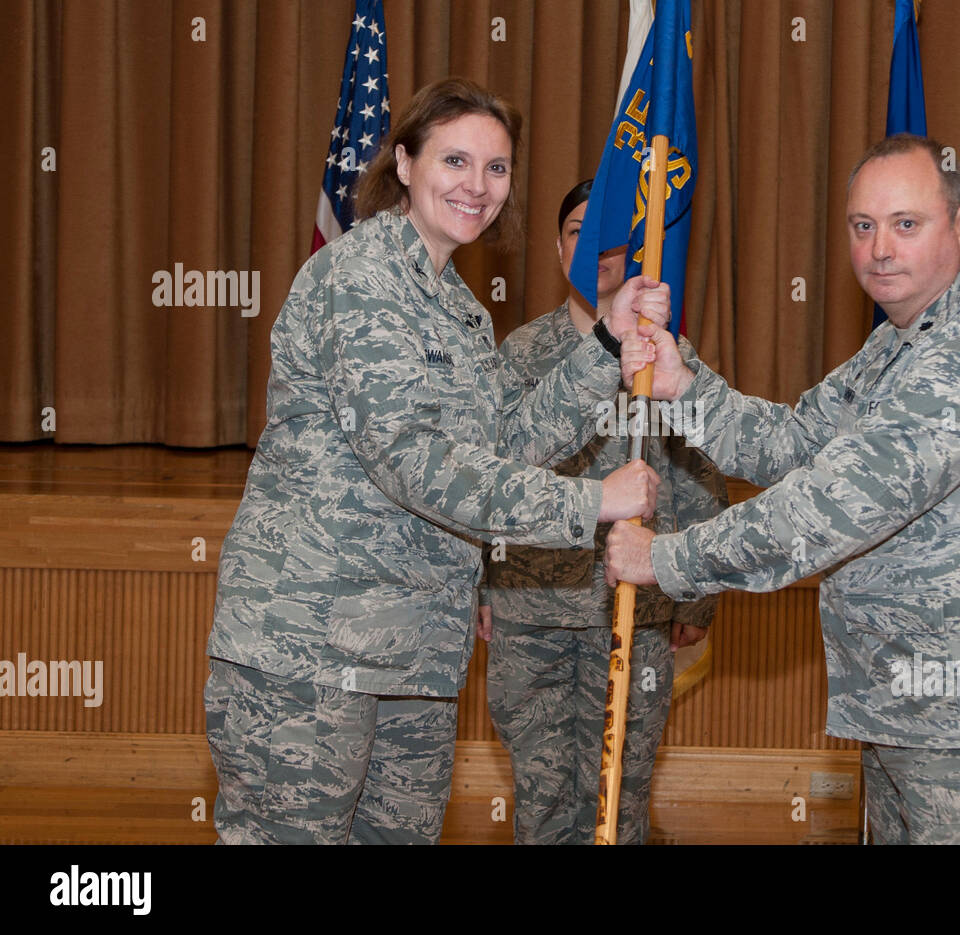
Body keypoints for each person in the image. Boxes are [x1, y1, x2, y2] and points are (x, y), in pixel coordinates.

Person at [204, 78, 670, 845]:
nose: (477, 185)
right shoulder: (361, 276)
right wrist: (587, 504)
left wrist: (607, 346)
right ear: (407, 161)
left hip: (413, 659)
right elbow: (410, 460)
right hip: (311, 650)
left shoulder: (461, 311)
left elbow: (500, 447)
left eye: (497, 168)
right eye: (456, 159)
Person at [605, 134, 960, 845]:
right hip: (908, 715)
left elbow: (827, 508)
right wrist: (686, 389)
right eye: (864, 227)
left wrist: (666, 560)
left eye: (906, 224)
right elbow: (798, 443)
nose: (880, 248)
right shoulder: (900, 339)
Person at [480, 179, 728, 845]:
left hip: (633, 613)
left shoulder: (663, 359)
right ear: (562, 249)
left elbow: (700, 477)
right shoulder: (520, 355)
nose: (599, 254)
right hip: (530, 614)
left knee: (619, 796)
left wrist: (694, 597)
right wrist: (478, 581)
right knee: (541, 798)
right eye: (580, 233)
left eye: (615, 240)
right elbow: (482, 473)